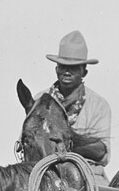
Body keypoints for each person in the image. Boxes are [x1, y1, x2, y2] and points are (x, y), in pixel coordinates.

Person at [40, 30, 113, 180]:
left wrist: (65, 143)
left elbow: (101, 151)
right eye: (62, 66)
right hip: (45, 172)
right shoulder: (40, 100)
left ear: (84, 72)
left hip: (86, 174)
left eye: (73, 68)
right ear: (56, 69)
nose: (67, 72)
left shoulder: (98, 105)